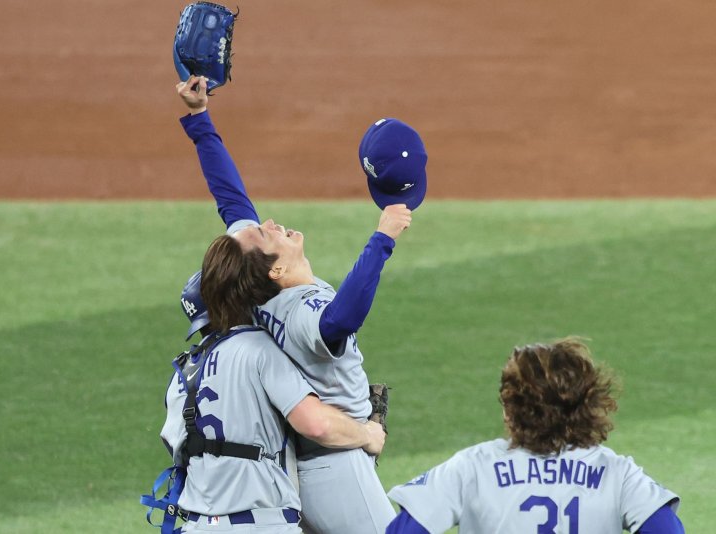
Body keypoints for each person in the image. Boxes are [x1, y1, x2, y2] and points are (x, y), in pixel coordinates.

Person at [175, 75, 425, 533]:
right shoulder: (301, 307)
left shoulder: (254, 291)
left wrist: (199, 119)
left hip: (298, 469)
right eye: (266, 234)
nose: (268, 221)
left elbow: (230, 199)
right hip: (335, 463)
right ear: (273, 268)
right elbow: (340, 319)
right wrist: (382, 237)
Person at [155, 260, 386, 534]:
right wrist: (366, 433)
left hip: (198, 525)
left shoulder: (182, 372)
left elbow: (177, 448)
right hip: (261, 524)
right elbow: (316, 424)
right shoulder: (259, 348)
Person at [386, 338, 685, 534]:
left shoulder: (471, 468)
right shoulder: (617, 474)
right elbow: (667, 529)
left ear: (509, 408)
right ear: (588, 405)